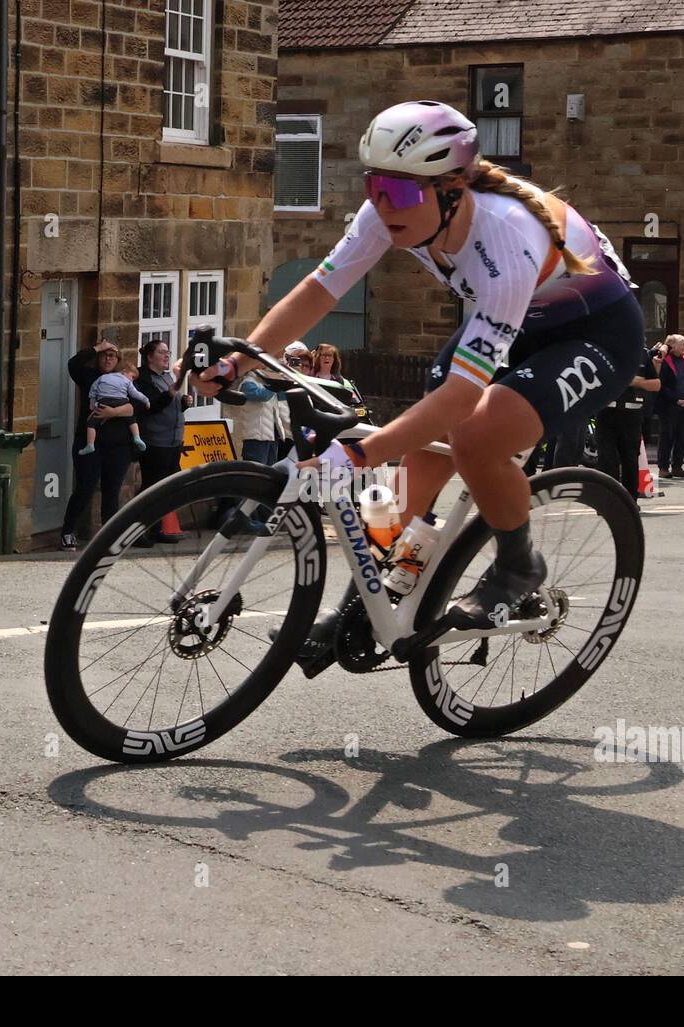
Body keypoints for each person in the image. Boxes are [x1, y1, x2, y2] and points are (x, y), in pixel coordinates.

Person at [191, 99, 642, 652]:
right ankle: (364, 604)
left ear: (451, 188)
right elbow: (319, 290)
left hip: (595, 333)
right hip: (513, 321)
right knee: (413, 468)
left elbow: (461, 395)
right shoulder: (386, 211)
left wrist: (361, 453)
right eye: (373, 186)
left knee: (473, 437)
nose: (383, 205)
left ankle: (519, 565)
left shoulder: (506, 234)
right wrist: (243, 358)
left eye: (399, 192)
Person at [59, 337, 139, 551]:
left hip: (118, 444)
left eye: (112, 355)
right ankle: (67, 532)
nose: (107, 358)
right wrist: (96, 347)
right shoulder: (88, 376)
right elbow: (72, 364)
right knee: (85, 487)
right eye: (104, 355)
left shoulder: (125, 379)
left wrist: (114, 412)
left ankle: (108, 537)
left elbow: (136, 407)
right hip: (89, 442)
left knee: (112, 490)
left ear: (118, 360)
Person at [135, 337, 193, 546]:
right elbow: (150, 406)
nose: (167, 355)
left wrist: (183, 403)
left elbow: (171, 406)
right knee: (150, 487)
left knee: (166, 488)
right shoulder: (143, 379)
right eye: (162, 352)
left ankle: (157, 528)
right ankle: (137, 531)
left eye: (168, 352)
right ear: (150, 357)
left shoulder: (168, 377)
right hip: (155, 441)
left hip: (173, 440)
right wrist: (169, 395)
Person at [595, 347, 661, 502]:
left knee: (630, 459)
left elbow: (656, 384)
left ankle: (630, 500)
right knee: (607, 459)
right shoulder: (601, 352)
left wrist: (637, 382)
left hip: (631, 416)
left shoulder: (642, 354)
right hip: (606, 414)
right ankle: (608, 500)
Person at [79, 359, 149, 458]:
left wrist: (93, 402)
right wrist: (146, 400)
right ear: (124, 371)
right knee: (132, 420)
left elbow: (93, 390)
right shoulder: (127, 381)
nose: (132, 380)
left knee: (90, 423)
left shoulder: (103, 377)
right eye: (132, 377)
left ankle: (90, 444)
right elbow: (136, 394)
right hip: (121, 401)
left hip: (104, 401)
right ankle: (137, 437)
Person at [656, 334, 684, 477]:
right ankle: (663, 468)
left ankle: (677, 466)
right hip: (669, 406)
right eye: (682, 344)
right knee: (667, 436)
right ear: (672, 346)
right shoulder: (663, 361)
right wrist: (677, 400)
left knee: (682, 436)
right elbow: (661, 385)